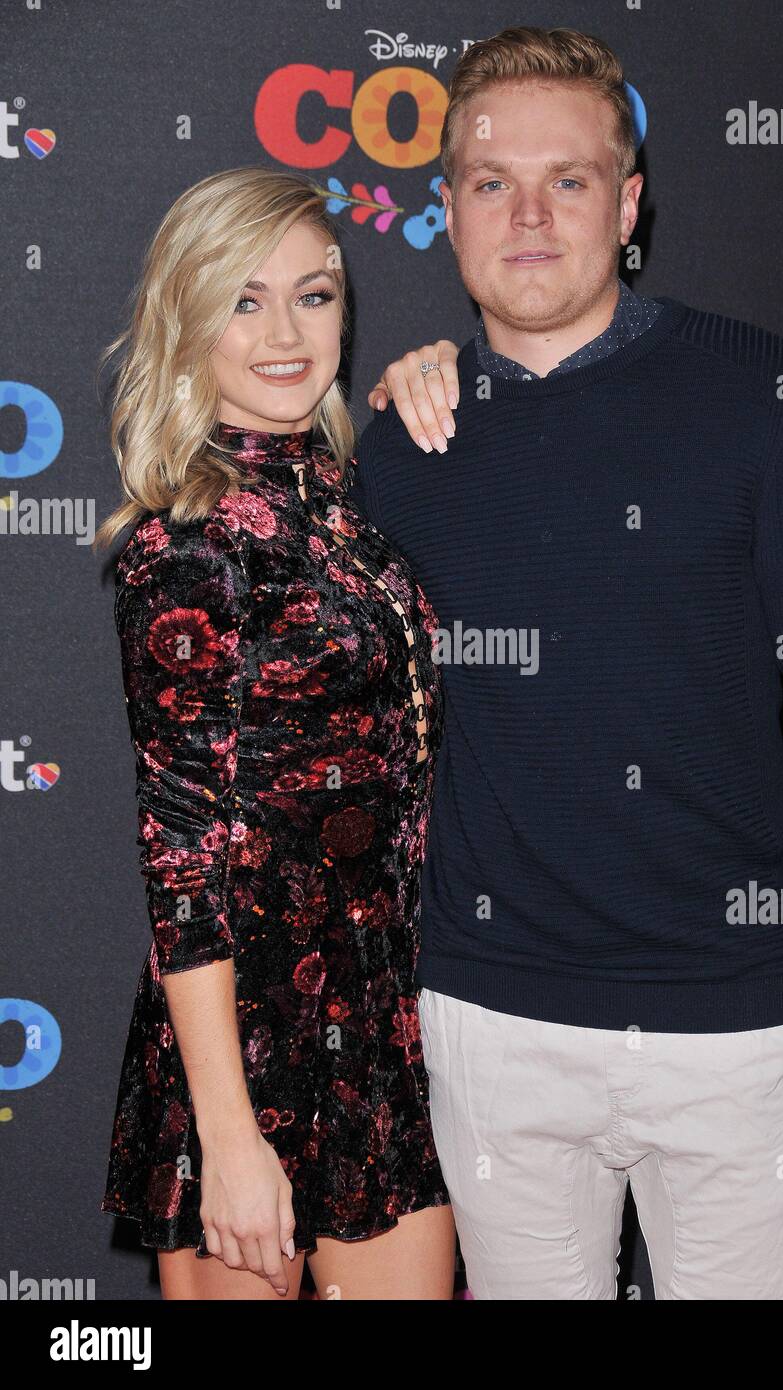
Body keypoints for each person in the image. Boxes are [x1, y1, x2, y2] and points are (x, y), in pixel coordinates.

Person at [352, 26, 783, 1300]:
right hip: (490, 1023)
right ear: (446, 210)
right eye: (493, 182)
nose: (532, 214)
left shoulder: (762, 394)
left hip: (741, 1027)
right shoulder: (398, 443)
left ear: (629, 204)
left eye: (571, 179)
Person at [94, 167, 455, 1300]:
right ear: (188, 321)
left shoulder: (343, 498)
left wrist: (442, 369)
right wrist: (229, 1140)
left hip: (386, 1028)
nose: (287, 332)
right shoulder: (185, 550)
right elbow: (183, 861)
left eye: (314, 294)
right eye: (244, 301)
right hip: (248, 1051)